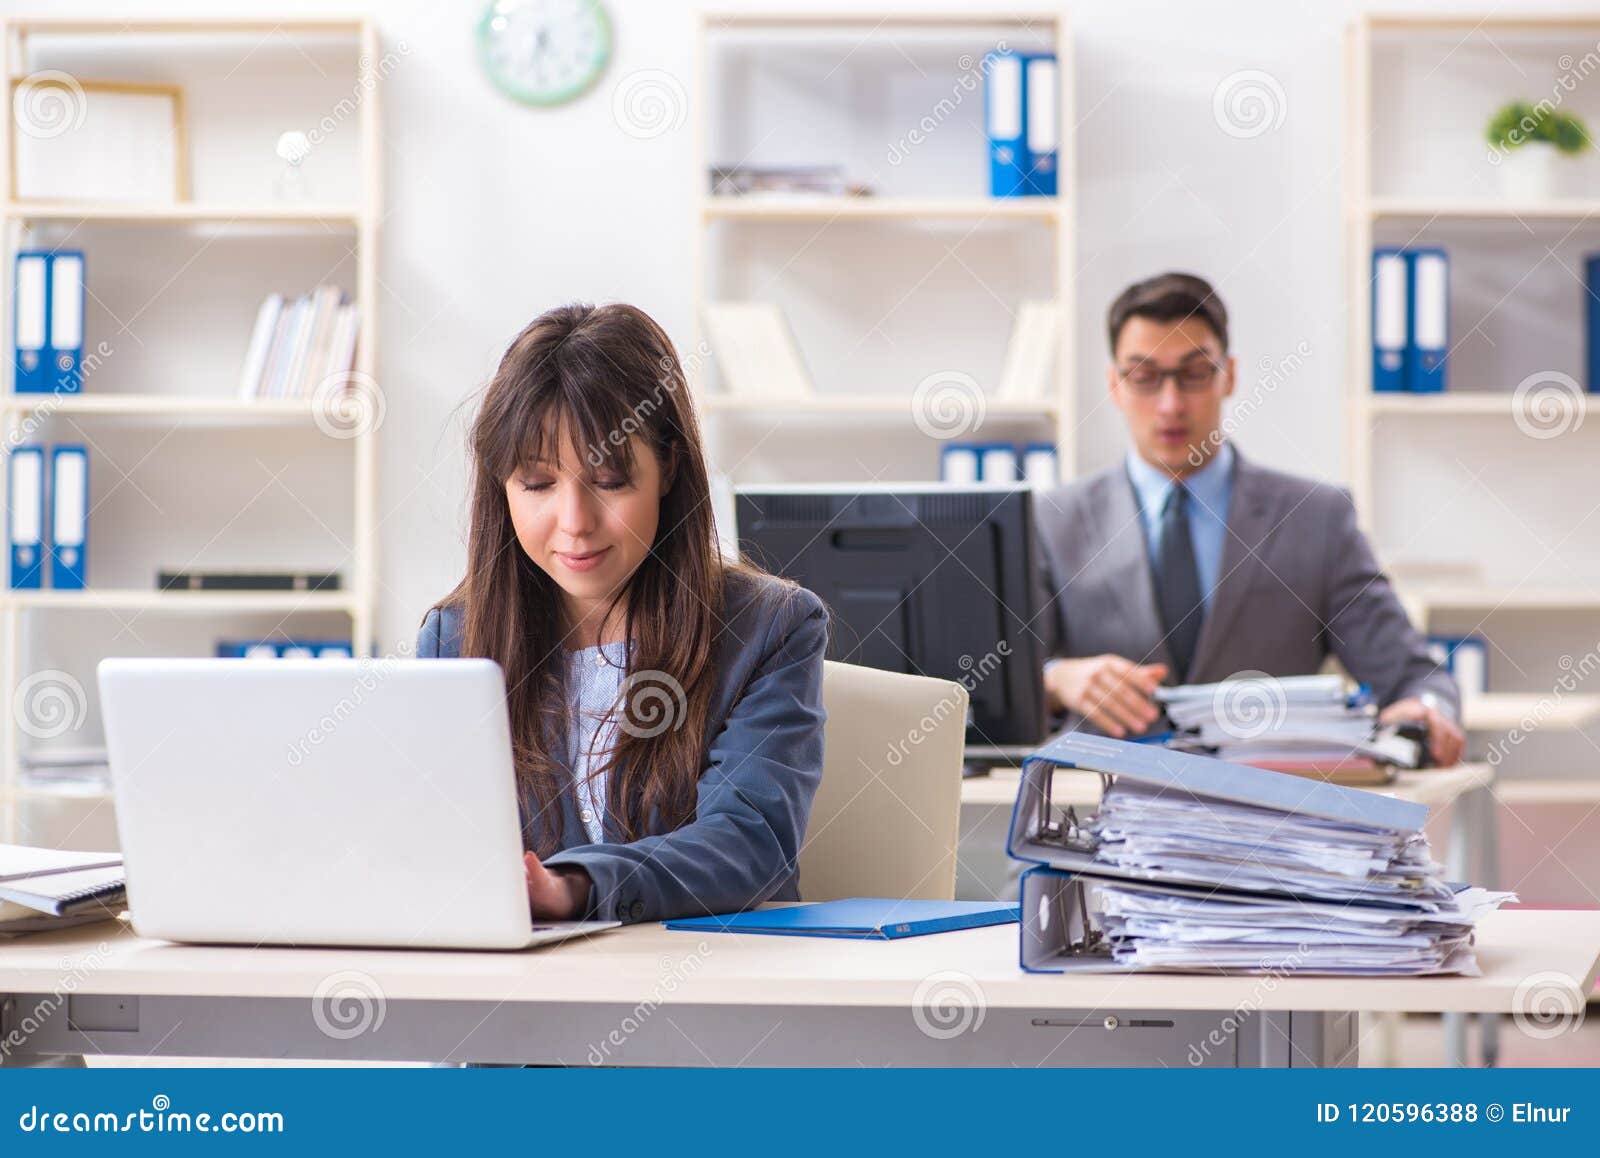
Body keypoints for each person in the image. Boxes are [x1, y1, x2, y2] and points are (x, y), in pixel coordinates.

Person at [417, 302, 829, 924]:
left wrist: (577, 886)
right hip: (521, 977)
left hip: (714, 973)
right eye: (537, 485)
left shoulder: (769, 628)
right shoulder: (454, 639)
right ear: (501, 487)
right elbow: (429, 842)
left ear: (668, 468)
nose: (575, 522)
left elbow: (750, 844)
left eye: (608, 481)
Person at [1037, 272, 1463, 766]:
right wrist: (1054, 681)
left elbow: (1414, 677)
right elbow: (990, 693)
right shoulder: (1052, 520)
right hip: (1103, 804)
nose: (1170, 404)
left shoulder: (1315, 518)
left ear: (1229, 375)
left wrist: (1423, 711)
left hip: (1272, 807)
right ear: (1114, 384)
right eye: (1144, 377)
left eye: (1195, 373)